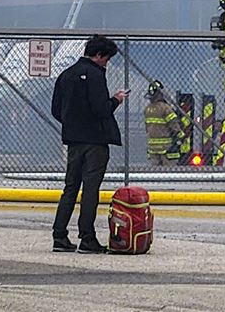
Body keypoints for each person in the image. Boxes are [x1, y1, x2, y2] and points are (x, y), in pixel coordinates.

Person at [50, 34, 127, 253]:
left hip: (73, 140)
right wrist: (116, 100)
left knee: (70, 188)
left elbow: (56, 109)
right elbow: (100, 109)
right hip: (95, 142)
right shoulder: (95, 75)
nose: (107, 63)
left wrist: (73, 123)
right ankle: (87, 237)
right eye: (107, 59)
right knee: (90, 189)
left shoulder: (66, 75)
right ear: (99, 55)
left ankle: (59, 236)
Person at [143, 80, 181, 167]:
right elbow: (175, 127)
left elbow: (147, 128)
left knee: (155, 173)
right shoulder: (166, 109)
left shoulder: (147, 110)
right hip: (166, 149)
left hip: (152, 149)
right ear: (160, 93)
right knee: (168, 174)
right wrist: (181, 137)